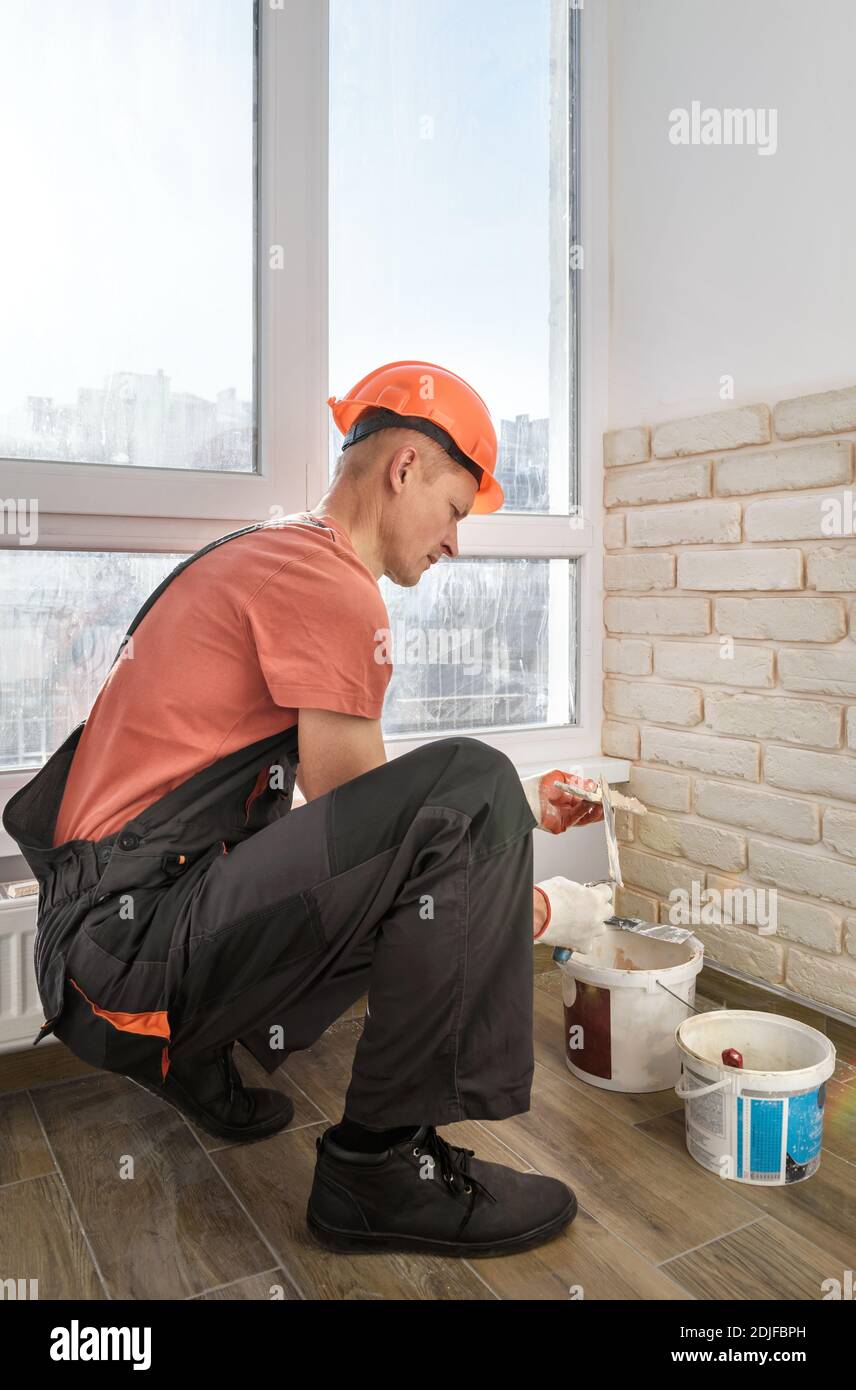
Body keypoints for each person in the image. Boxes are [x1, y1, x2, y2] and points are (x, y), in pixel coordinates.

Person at [3, 359, 614, 1260]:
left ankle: (194, 1058)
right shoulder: (330, 584)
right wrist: (547, 908)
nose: (455, 546)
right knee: (471, 784)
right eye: (454, 511)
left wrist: (521, 813)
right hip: (125, 953)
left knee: (473, 803)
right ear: (405, 469)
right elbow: (388, 830)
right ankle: (375, 1167)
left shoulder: (268, 549)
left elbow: (354, 822)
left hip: (95, 944)